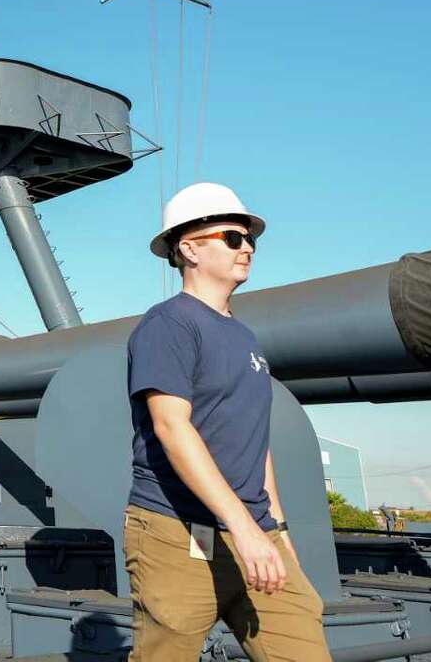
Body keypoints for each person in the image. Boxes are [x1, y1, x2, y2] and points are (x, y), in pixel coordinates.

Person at [123, 183, 331, 662]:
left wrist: (276, 531)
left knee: (304, 645)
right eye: (233, 238)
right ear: (190, 248)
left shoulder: (244, 337)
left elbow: (256, 444)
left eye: (251, 239)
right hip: (178, 531)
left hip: (255, 531)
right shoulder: (169, 324)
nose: (248, 248)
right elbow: (172, 429)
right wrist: (244, 529)